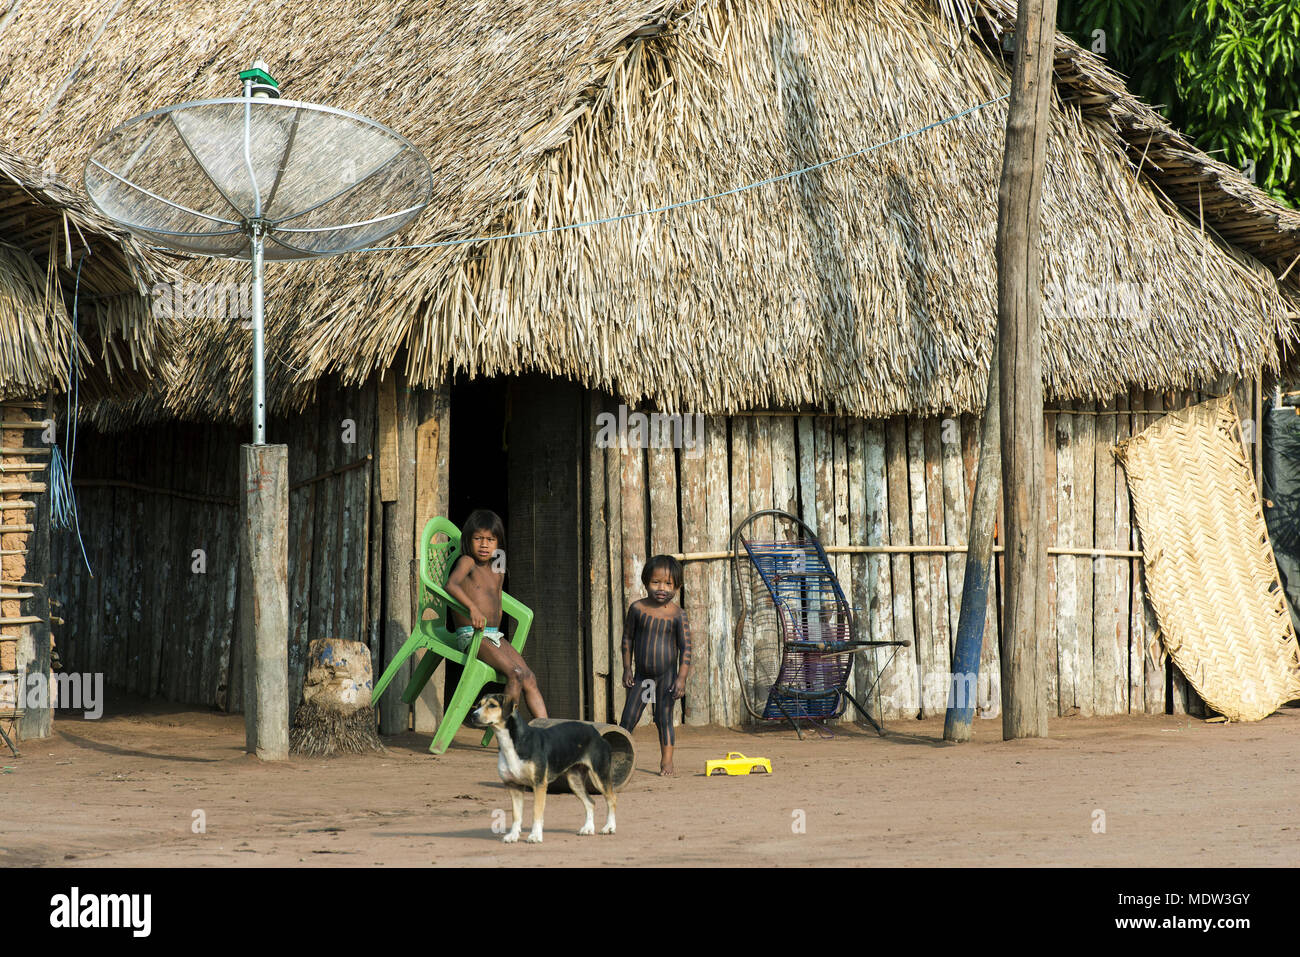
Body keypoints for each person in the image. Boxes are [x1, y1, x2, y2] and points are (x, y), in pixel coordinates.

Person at [444, 509, 548, 719]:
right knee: (515, 674)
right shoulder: (467, 561)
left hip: (493, 636)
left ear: (498, 544)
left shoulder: (496, 567)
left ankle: (547, 730)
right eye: (478, 539)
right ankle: (508, 732)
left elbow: (496, 596)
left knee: (528, 677)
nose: (484, 545)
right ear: (468, 540)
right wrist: (472, 608)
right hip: (472, 635)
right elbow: (451, 585)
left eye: (490, 539)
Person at [619, 555, 692, 775]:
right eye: (656, 582)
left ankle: (667, 761)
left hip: (666, 678)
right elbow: (627, 639)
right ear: (645, 582)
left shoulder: (678, 615)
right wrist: (627, 668)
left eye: (668, 583)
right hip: (643, 678)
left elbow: (686, 648)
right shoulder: (637, 609)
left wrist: (681, 678)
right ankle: (617, 755)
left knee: (664, 719)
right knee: (629, 717)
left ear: (677, 586)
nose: (662, 588)